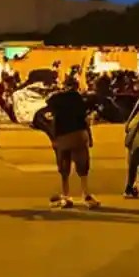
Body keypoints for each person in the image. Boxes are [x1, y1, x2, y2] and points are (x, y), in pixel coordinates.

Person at [43, 76, 99, 209]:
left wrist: (54, 138)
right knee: (83, 167)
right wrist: (89, 138)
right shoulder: (78, 98)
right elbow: (84, 119)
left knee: (64, 168)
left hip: (62, 137)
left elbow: (52, 117)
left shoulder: (55, 99)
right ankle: (86, 194)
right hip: (78, 135)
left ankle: (66, 195)